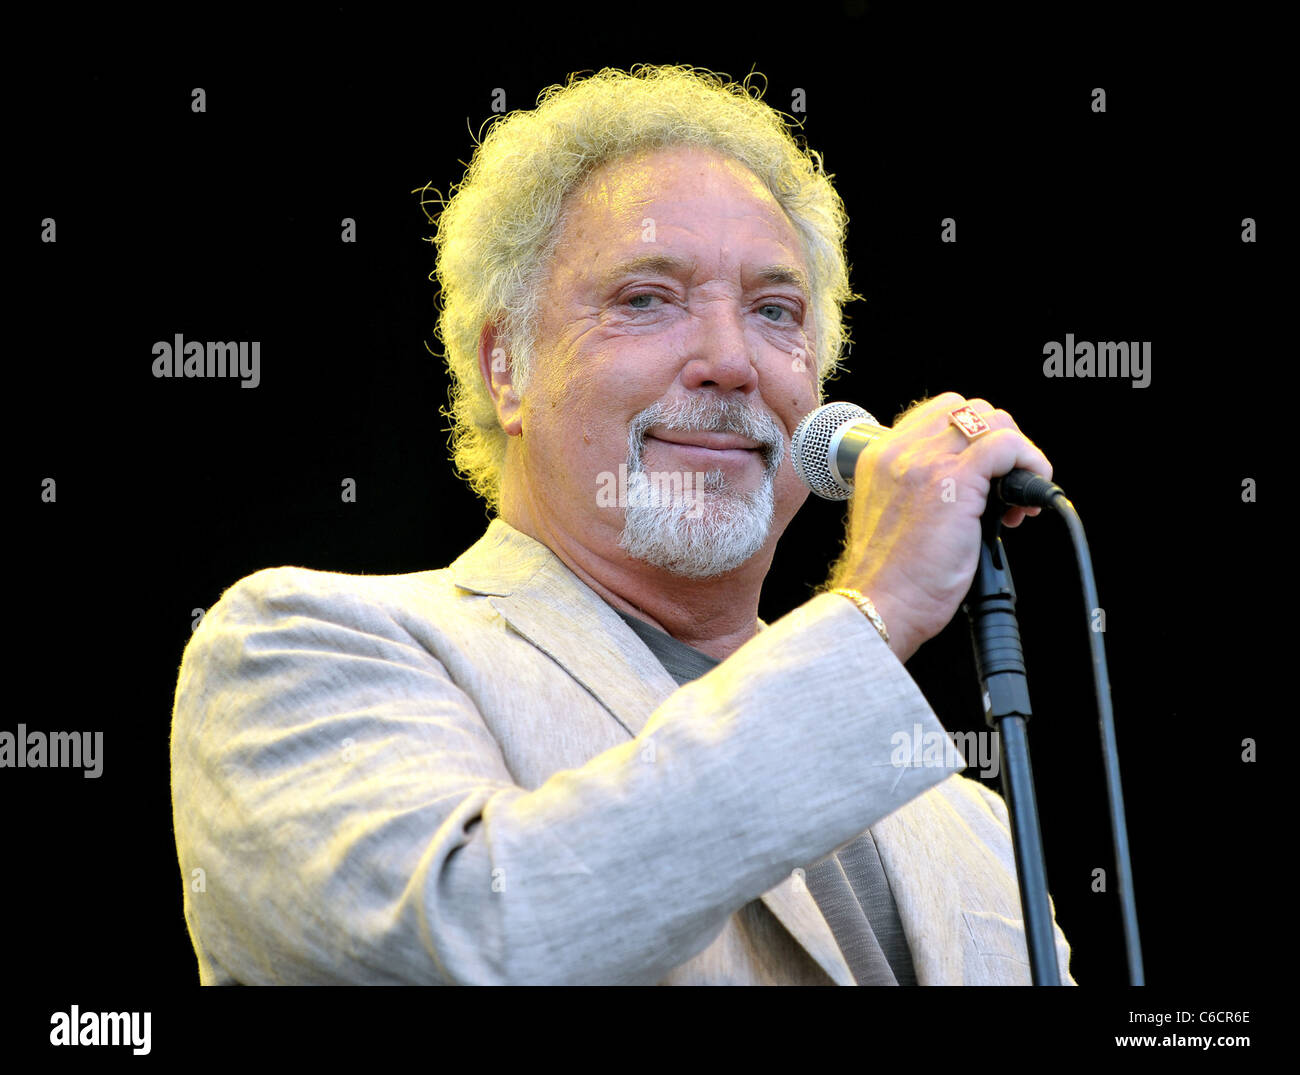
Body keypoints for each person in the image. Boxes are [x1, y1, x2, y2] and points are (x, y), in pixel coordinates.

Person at [170, 64, 1074, 985]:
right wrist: (875, 610)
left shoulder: (973, 823)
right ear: (507, 367)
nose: (730, 360)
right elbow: (481, 940)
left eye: (774, 311)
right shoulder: (304, 648)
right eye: (646, 299)